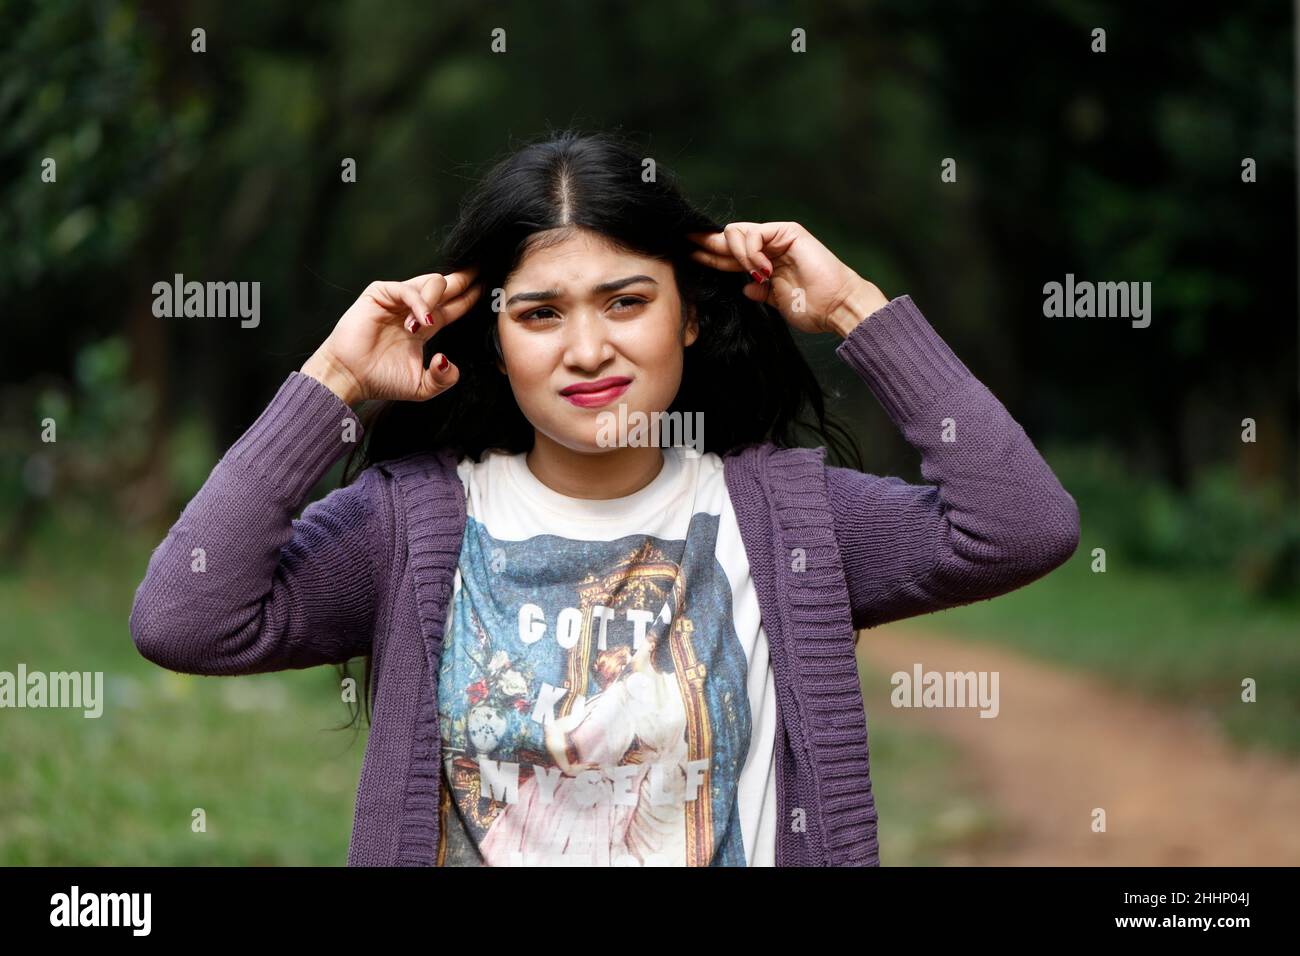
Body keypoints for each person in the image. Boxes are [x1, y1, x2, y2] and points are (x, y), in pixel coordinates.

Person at [129, 129, 1080, 867]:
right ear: (496, 340)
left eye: (626, 301)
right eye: (541, 314)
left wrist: (852, 309)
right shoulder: (408, 524)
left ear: (692, 315)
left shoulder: (786, 518)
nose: (587, 350)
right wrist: (336, 376)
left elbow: (1021, 527)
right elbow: (186, 619)